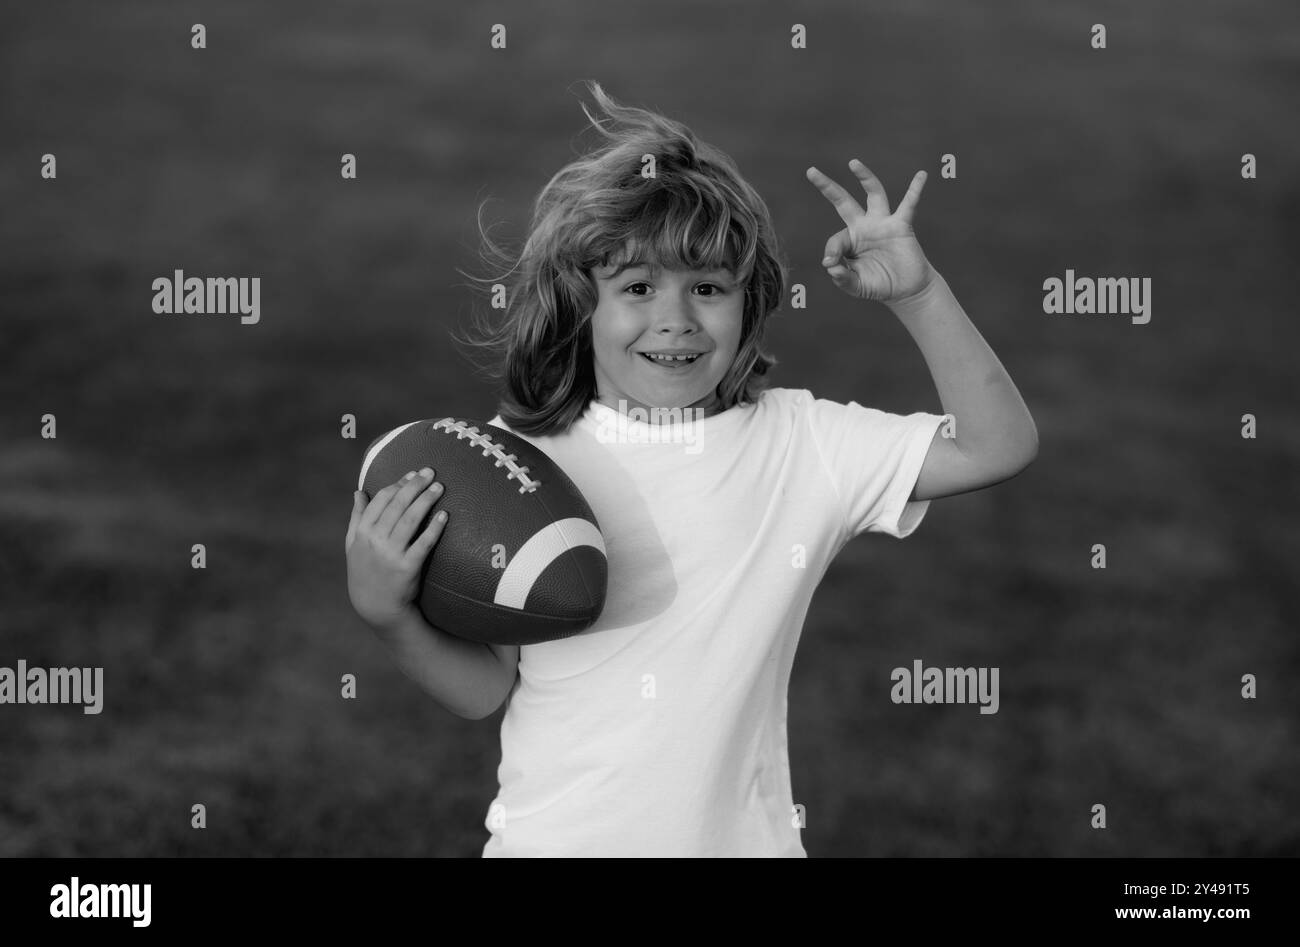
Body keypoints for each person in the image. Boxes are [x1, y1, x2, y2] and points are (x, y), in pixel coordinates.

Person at [345, 81, 1038, 856]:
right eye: (637, 288)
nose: (675, 318)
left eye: (707, 288)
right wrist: (390, 614)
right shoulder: (522, 461)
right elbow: (487, 690)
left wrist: (920, 295)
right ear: (581, 305)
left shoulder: (803, 444)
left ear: (752, 303)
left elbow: (996, 446)